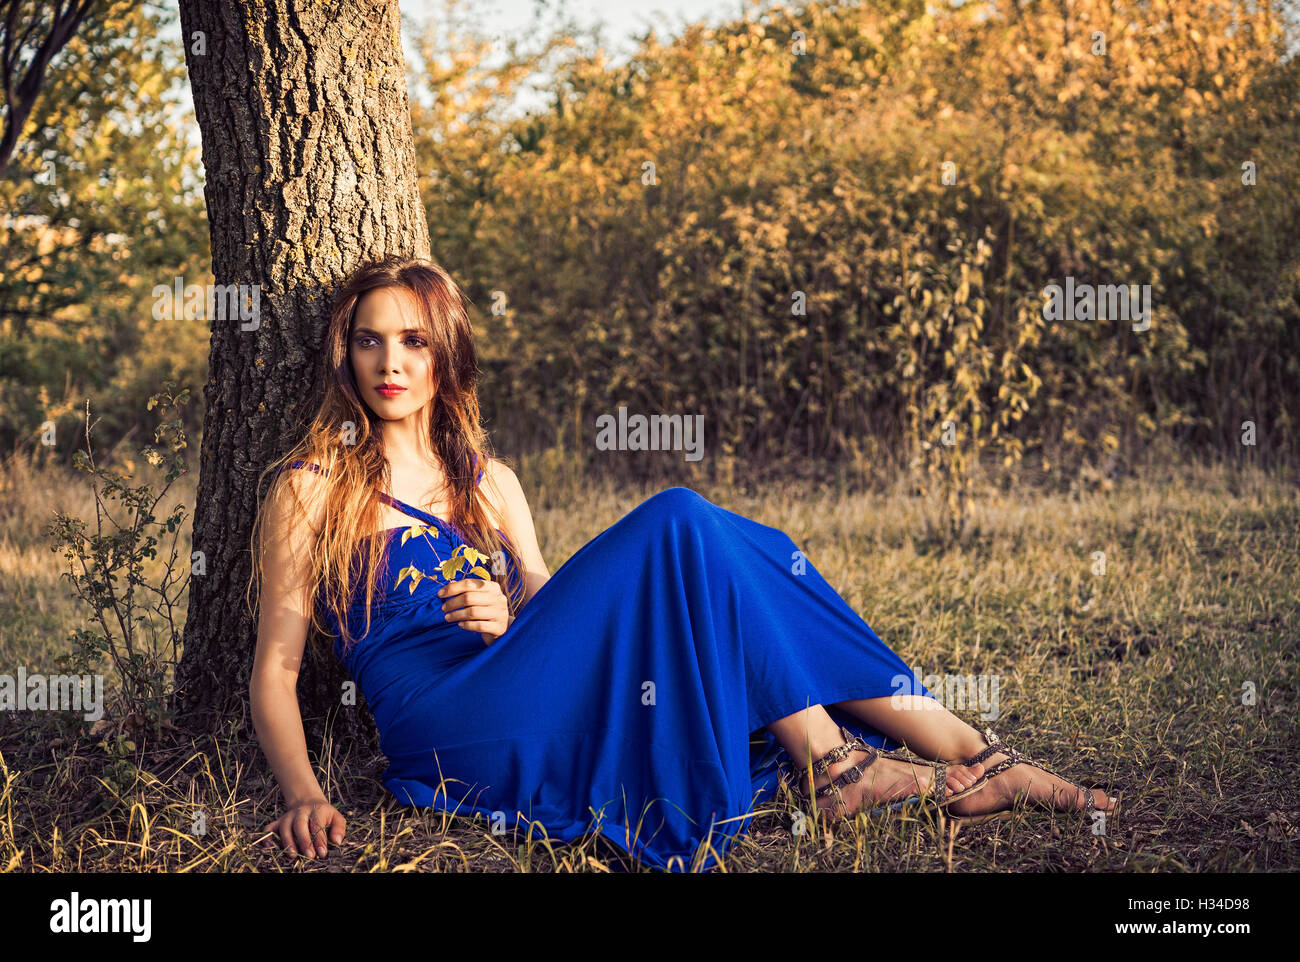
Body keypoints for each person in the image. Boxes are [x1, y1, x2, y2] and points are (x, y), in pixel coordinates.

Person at [248, 255, 1119, 872]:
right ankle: (840, 768)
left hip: (532, 681)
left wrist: (509, 617)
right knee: (680, 521)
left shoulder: (492, 483)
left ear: (445, 351)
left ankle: (977, 753)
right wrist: (301, 792)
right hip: (447, 724)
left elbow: (552, 610)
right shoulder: (312, 487)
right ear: (345, 354)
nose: (390, 363)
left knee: (760, 554)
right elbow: (278, 668)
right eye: (369, 341)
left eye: (413, 341)